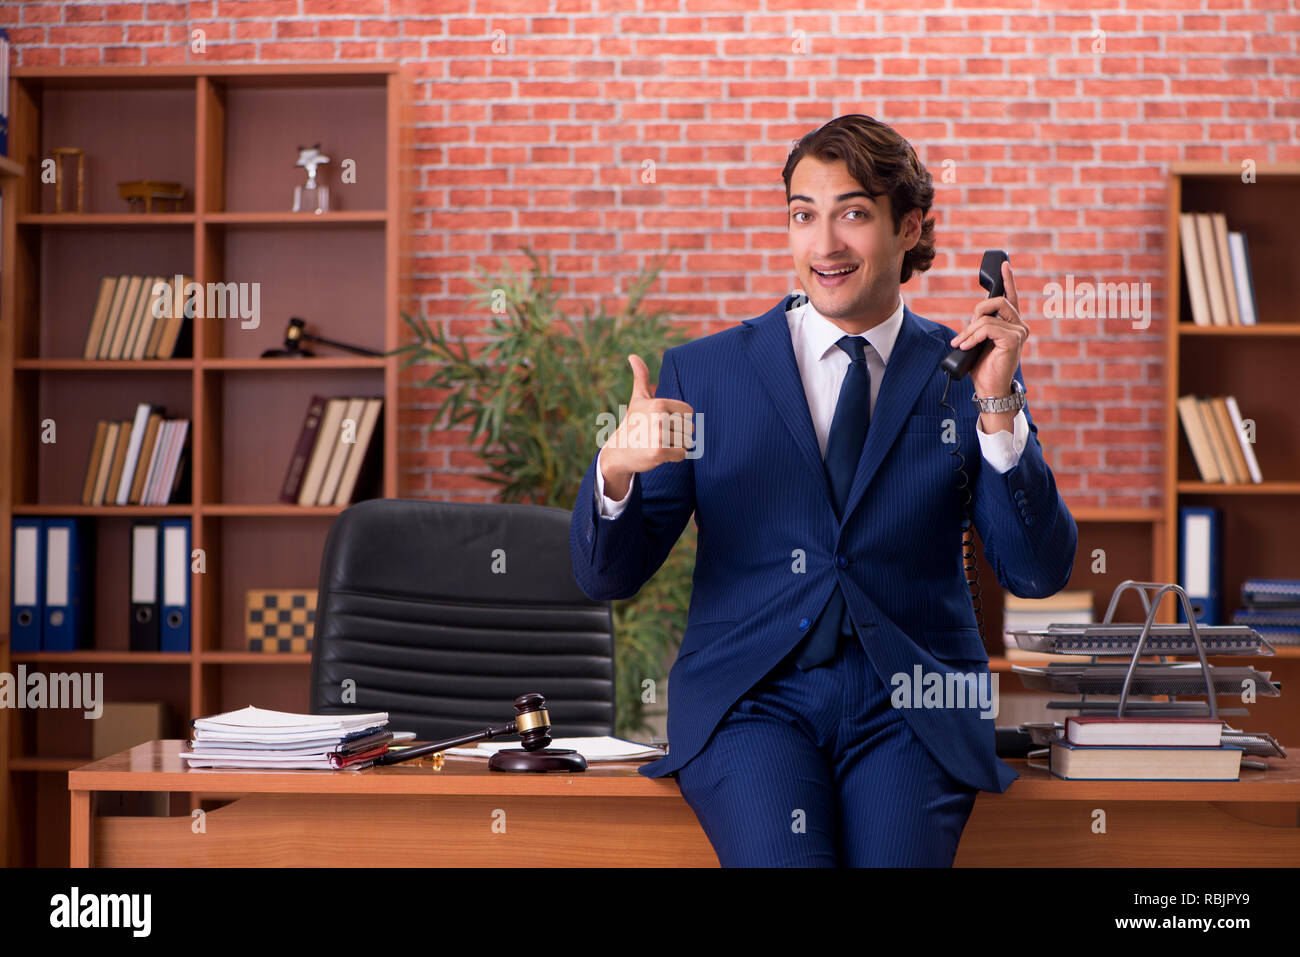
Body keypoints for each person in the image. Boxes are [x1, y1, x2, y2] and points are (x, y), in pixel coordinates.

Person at [569, 114, 1077, 866]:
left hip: (914, 707)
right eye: (804, 215)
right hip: (753, 703)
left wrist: (999, 410)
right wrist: (615, 469)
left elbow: (1036, 572)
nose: (825, 244)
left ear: (910, 228)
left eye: (853, 213)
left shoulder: (968, 372)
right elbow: (605, 574)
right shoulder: (704, 375)